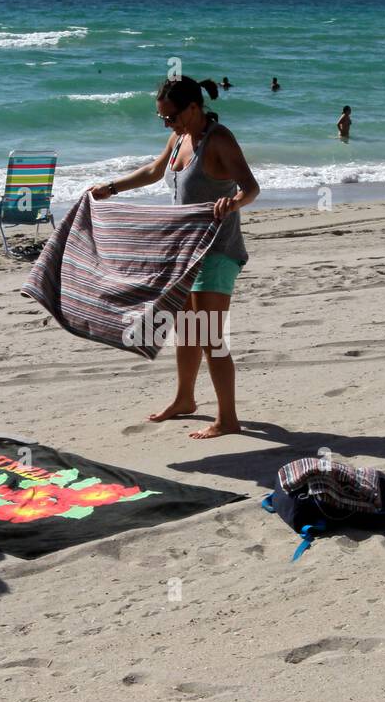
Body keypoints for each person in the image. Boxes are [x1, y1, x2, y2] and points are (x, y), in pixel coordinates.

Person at [88, 76, 259, 440]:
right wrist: (111, 188)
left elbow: (250, 187)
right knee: (187, 330)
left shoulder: (219, 139)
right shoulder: (180, 137)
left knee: (210, 335)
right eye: (162, 118)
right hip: (185, 253)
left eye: (172, 117)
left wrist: (234, 201)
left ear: (194, 108)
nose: (168, 123)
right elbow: (153, 171)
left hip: (217, 250)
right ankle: (185, 399)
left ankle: (227, 418)